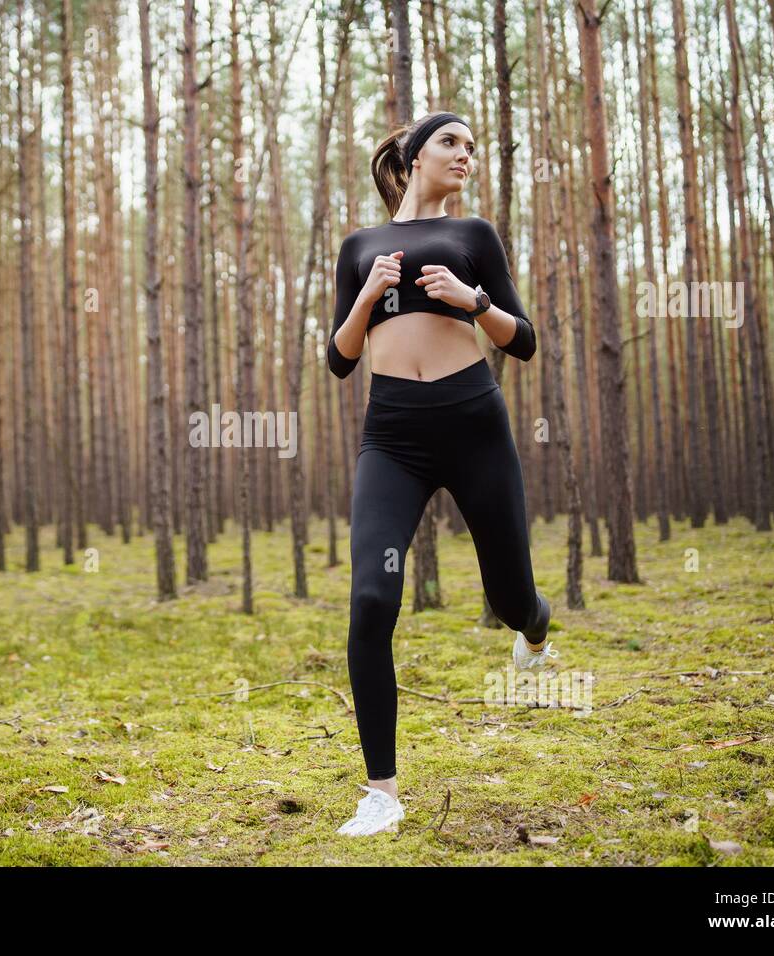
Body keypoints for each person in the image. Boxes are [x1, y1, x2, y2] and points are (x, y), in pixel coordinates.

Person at [326, 111, 557, 837]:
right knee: (370, 597)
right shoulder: (360, 246)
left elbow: (523, 342)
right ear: (413, 154)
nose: (466, 155)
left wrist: (474, 300)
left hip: (473, 424)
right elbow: (338, 358)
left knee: (510, 593)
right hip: (392, 436)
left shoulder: (473, 236)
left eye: (472, 147)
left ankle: (537, 630)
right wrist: (365, 298)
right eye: (452, 143)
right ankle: (382, 794)